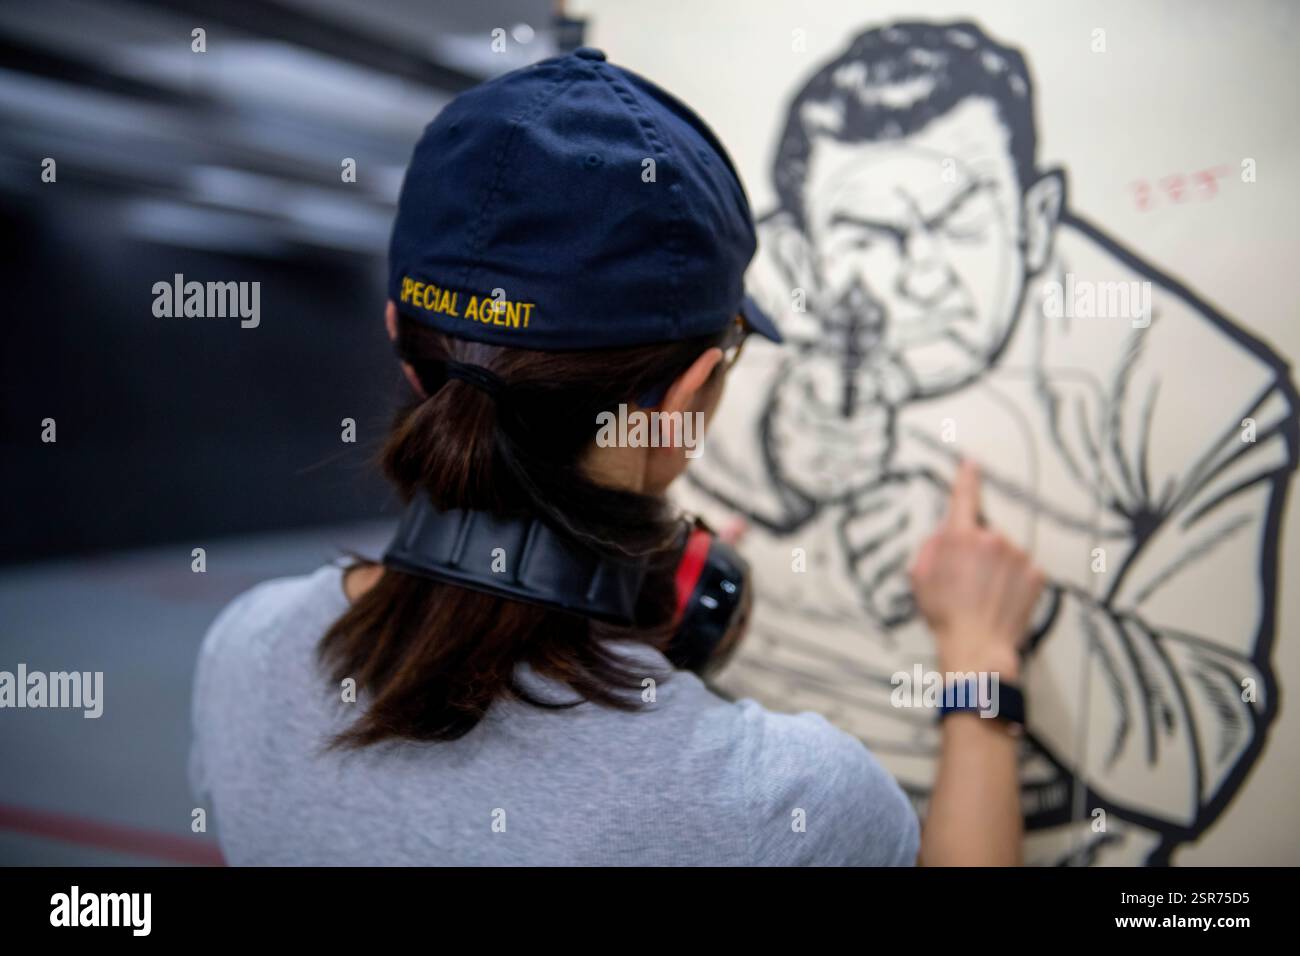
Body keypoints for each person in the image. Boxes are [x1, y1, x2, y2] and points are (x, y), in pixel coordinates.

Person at [188, 46, 1043, 866]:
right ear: (685, 402)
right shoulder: (784, 802)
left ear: (404, 354)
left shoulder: (243, 651)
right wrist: (979, 665)